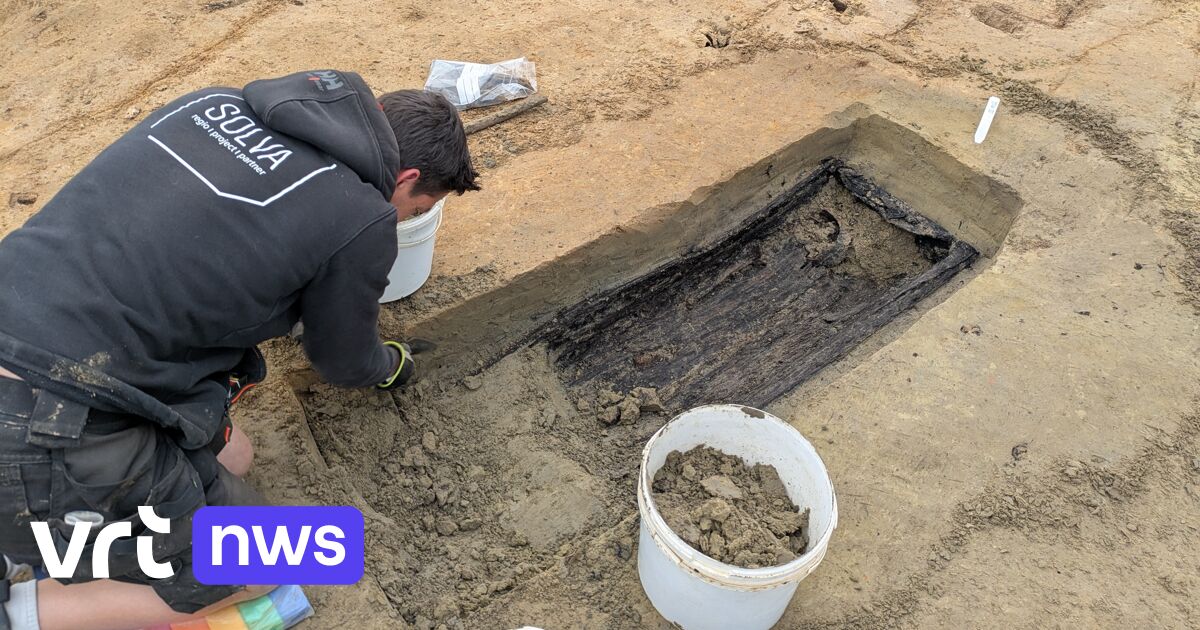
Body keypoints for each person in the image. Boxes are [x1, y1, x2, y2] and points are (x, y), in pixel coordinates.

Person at [0, 69, 479, 629]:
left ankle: (40, 527)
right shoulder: (360, 216)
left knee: (236, 454)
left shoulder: (214, 105)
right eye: (416, 210)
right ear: (408, 177)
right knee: (281, 558)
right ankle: (23, 607)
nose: (404, 221)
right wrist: (391, 365)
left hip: (44, 338)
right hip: (48, 421)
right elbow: (342, 360)